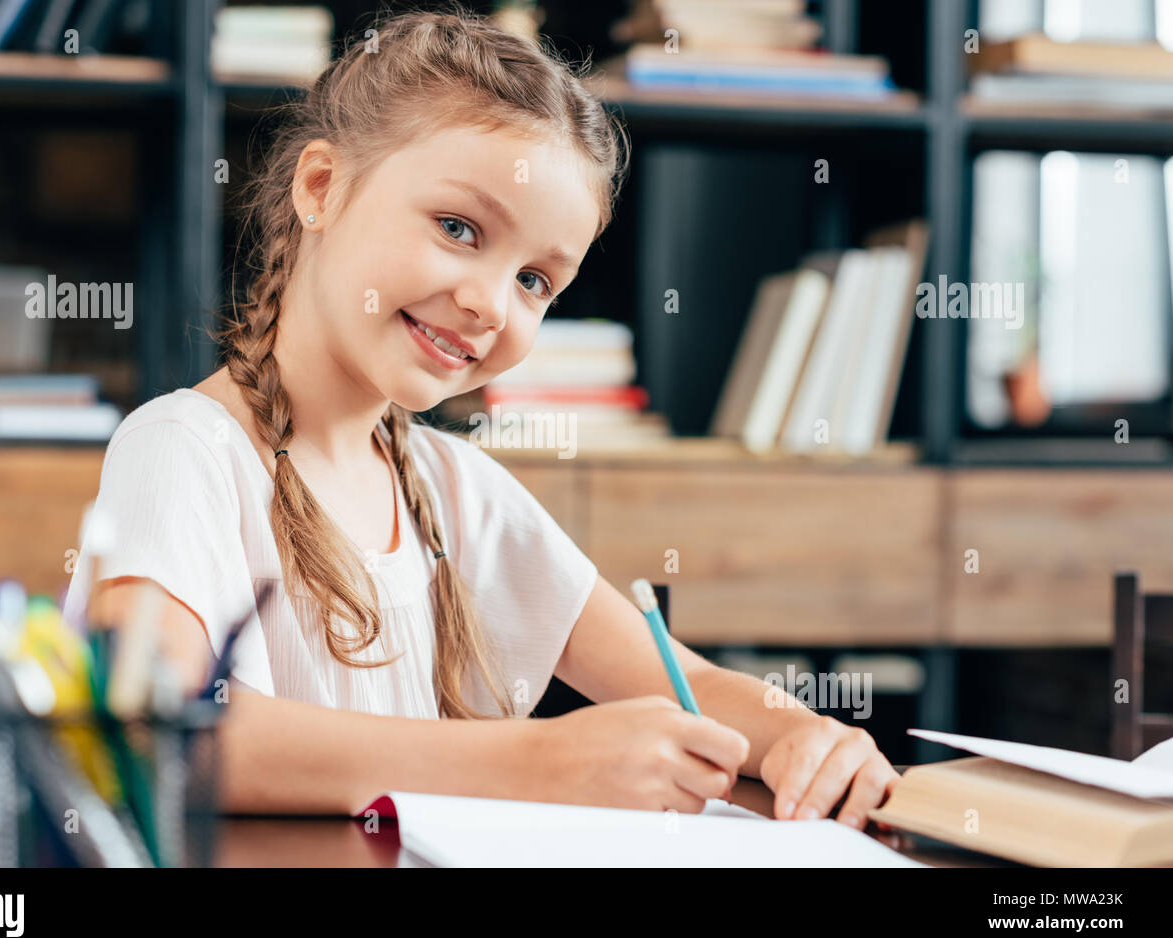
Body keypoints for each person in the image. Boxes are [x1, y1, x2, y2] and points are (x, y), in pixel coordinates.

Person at [64, 5, 899, 825]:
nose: (490, 305)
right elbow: (151, 726)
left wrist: (801, 732)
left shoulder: (453, 487)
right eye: (459, 227)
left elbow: (685, 682)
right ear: (321, 187)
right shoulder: (184, 451)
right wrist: (539, 760)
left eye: (535, 280)